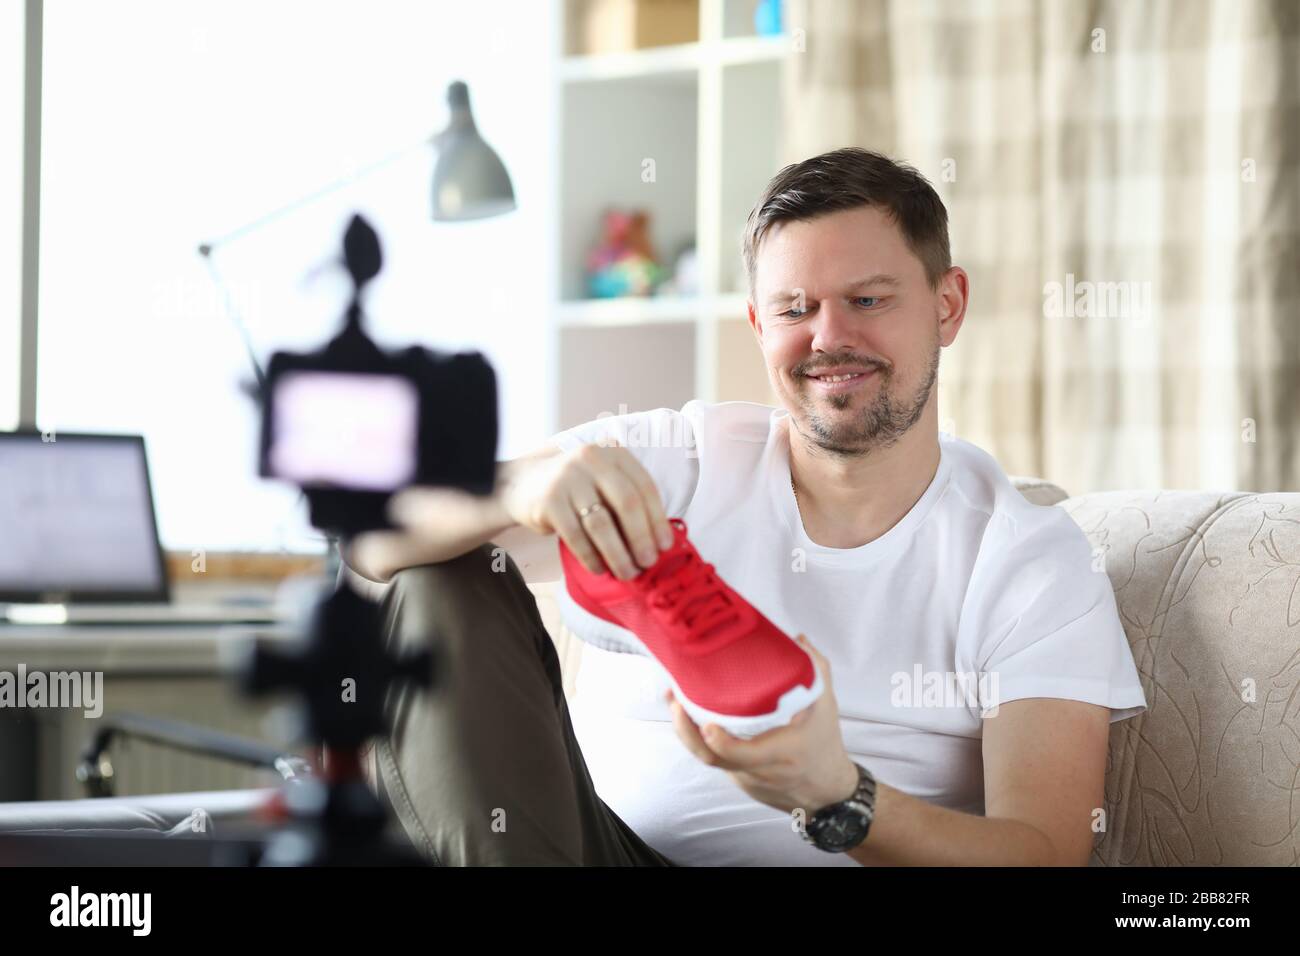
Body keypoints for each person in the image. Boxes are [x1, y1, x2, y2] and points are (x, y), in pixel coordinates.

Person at [343, 147, 1147, 866]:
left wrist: (840, 798)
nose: (828, 337)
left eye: (868, 300)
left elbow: (1043, 854)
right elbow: (365, 531)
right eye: (795, 309)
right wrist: (514, 488)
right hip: (597, 851)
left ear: (947, 305)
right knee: (437, 577)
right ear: (760, 325)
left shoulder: (1028, 560)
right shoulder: (673, 458)